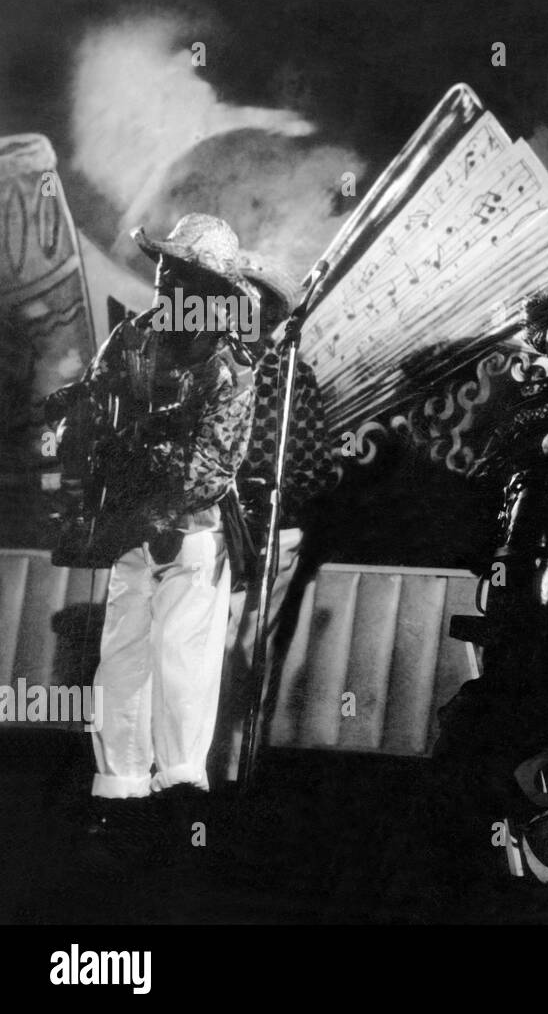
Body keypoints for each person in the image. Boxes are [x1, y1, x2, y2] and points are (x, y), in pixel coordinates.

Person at [78, 214, 258, 853]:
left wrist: (140, 468)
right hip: (135, 527)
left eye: (176, 272)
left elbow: (213, 466)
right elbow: (95, 409)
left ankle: (182, 797)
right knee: (123, 658)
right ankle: (120, 791)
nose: (161, 279)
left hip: (189, 532)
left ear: (206, 287)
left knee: (181, 663)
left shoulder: (227, 363)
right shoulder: (133, 337)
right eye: (162, 267)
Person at [209, 252, 336, 786]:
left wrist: (263, 492)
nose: (245, 310)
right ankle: (183, 773)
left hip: (271, 530)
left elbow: (315, 466)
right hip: (209, 525)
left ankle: (233, 777)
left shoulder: (289, 373)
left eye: (256, 302)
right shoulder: (205, 364)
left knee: (246, 653)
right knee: (201, 646)